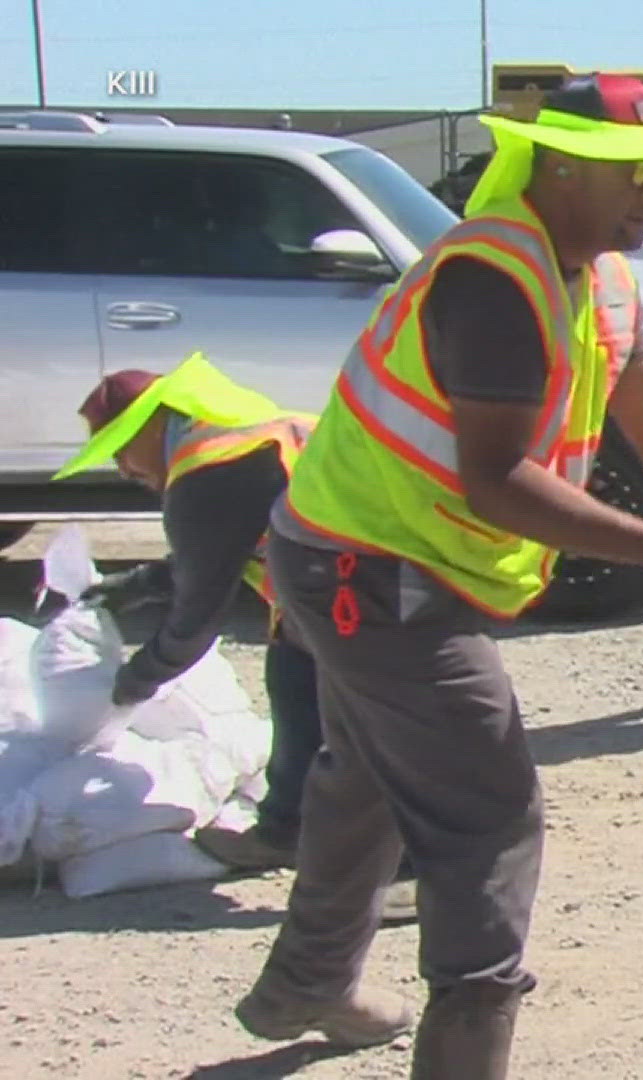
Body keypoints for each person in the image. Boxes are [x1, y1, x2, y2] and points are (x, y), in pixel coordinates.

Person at [230, 74, 643, 1077]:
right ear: (554, 167)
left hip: (389, 554)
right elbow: (497, 481)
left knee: (374, 776)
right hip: (368, 565)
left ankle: (305, 983)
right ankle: (464, 1048)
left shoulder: (601, 279)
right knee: (487, 809)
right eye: (628, 174)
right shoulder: (492, 280)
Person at [50, 356, 418, 922]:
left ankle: (414, 871)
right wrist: (135, 585)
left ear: (157, 423)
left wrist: (130, 685)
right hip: (360, 578)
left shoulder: (207, 471)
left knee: (371, 726)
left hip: (375, 587)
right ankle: (284, 829)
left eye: (121, 448)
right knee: (294, 684)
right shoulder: (237, 444)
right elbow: (216, 555)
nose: (124, 468)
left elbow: (197, 621)